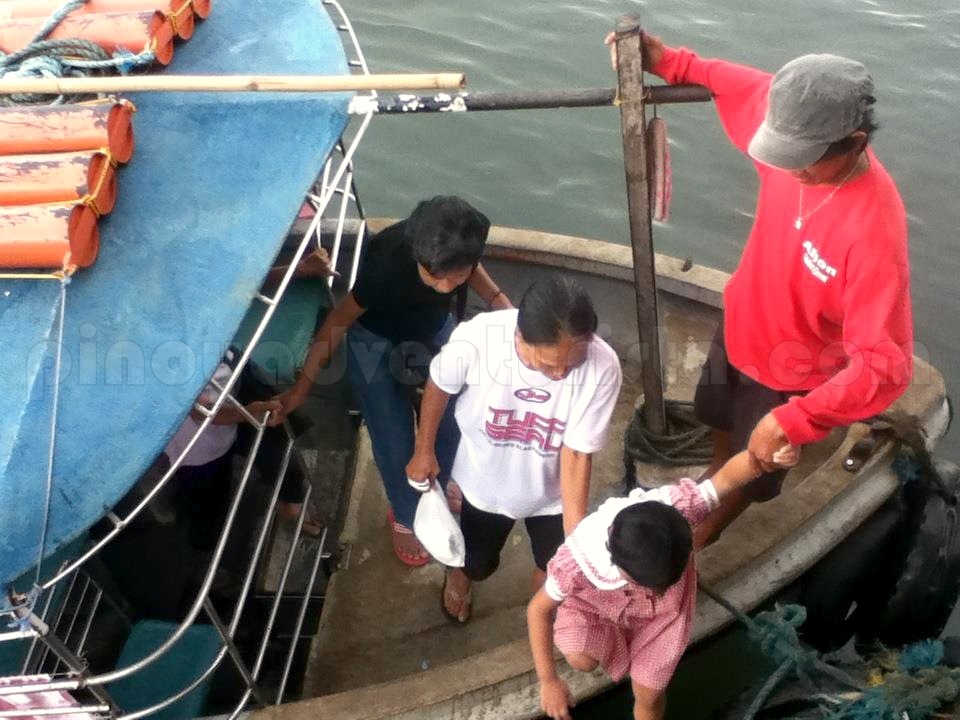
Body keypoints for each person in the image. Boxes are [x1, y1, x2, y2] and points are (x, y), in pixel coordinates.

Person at [606, 32, 913, 543]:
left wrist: (799, 416)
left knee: (758, 464)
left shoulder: (875, 235)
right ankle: (717, 473)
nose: (788, 167)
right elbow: (737, 84)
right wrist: (669, 62)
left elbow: (885, 365)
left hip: (794, 366)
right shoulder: (788, 125)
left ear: (856, 142)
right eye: (782, 151)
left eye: (804, 159)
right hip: (743, 321)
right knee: (720, 419)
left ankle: (704, 535)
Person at [277, 196, 512, 566]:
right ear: (421, 259)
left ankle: (438, 482)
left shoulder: (454, 246)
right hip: (376, 342)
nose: (449, 285)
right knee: (393, 436)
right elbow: (337, 322)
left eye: (459, 275)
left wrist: (507, 310)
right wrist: (300, 389)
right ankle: (405, 514)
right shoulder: (387, 266)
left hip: (433, 332)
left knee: (453, 422)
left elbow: (471, 268)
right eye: (437, 276)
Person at [406, 275, 622, 623]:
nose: (560, 375)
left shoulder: (603, 366)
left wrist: (575, 536)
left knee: (555, 564)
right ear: (520, 337)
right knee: (477, 562)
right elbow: (440, 383)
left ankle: (544, 611)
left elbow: (578, 452)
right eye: (548, 364)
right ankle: (460, 577)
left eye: (572, 364)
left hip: (552, 493)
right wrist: (423, 449)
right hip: (485, 482)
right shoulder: (479, 339)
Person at [527, 446, 798, 720]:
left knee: (650, 696)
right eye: (650, 584)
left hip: (664, 614)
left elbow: (727, 477)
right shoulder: (577, 561)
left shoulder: (679, 506)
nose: (655, 592)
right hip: (596, 603)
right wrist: (548, 680)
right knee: (581, 660)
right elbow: (537, 610)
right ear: (615, 562)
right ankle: (617, 641)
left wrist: (765, 458)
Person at [164, 350, 284, 551]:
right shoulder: (182, 364)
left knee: (207, 490)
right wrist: (251, 411)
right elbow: (203, 412)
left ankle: (199, 526)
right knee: (205, 502)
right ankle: (203, 545)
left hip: (210, 441)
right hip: (197, 452)